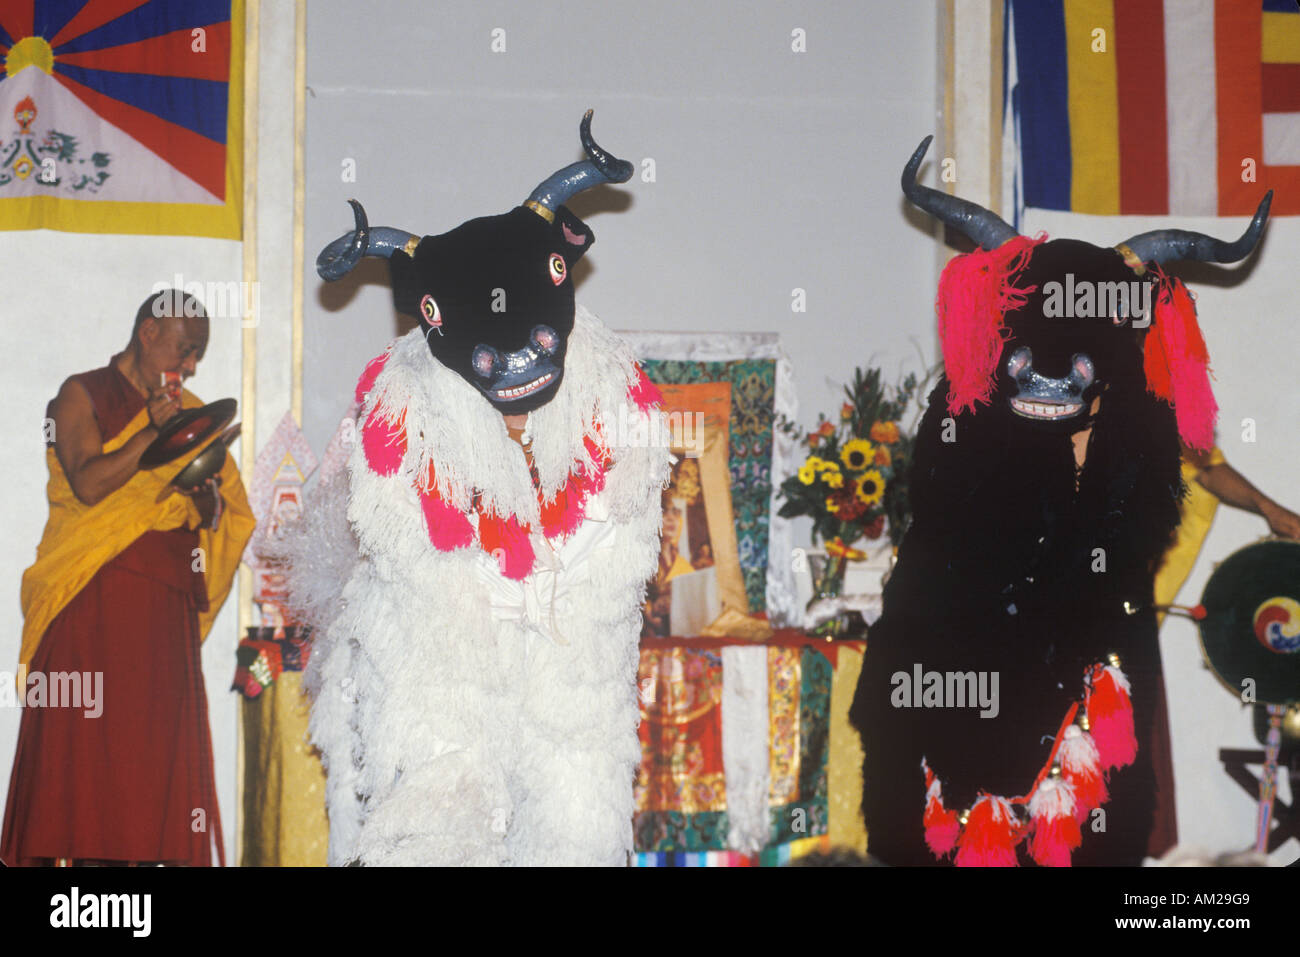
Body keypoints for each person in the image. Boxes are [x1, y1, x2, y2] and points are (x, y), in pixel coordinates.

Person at [1, 290, 255, 866]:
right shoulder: (80, 394)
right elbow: (89, 485)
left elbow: (219, 515)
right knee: (88, 787)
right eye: (187, 350)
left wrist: (201, 495)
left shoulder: (187, 410)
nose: (190, 367)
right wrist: (150, 436)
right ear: (148, 332)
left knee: (147, 786)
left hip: (160, 614)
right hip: (90, 602)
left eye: (197, 357)